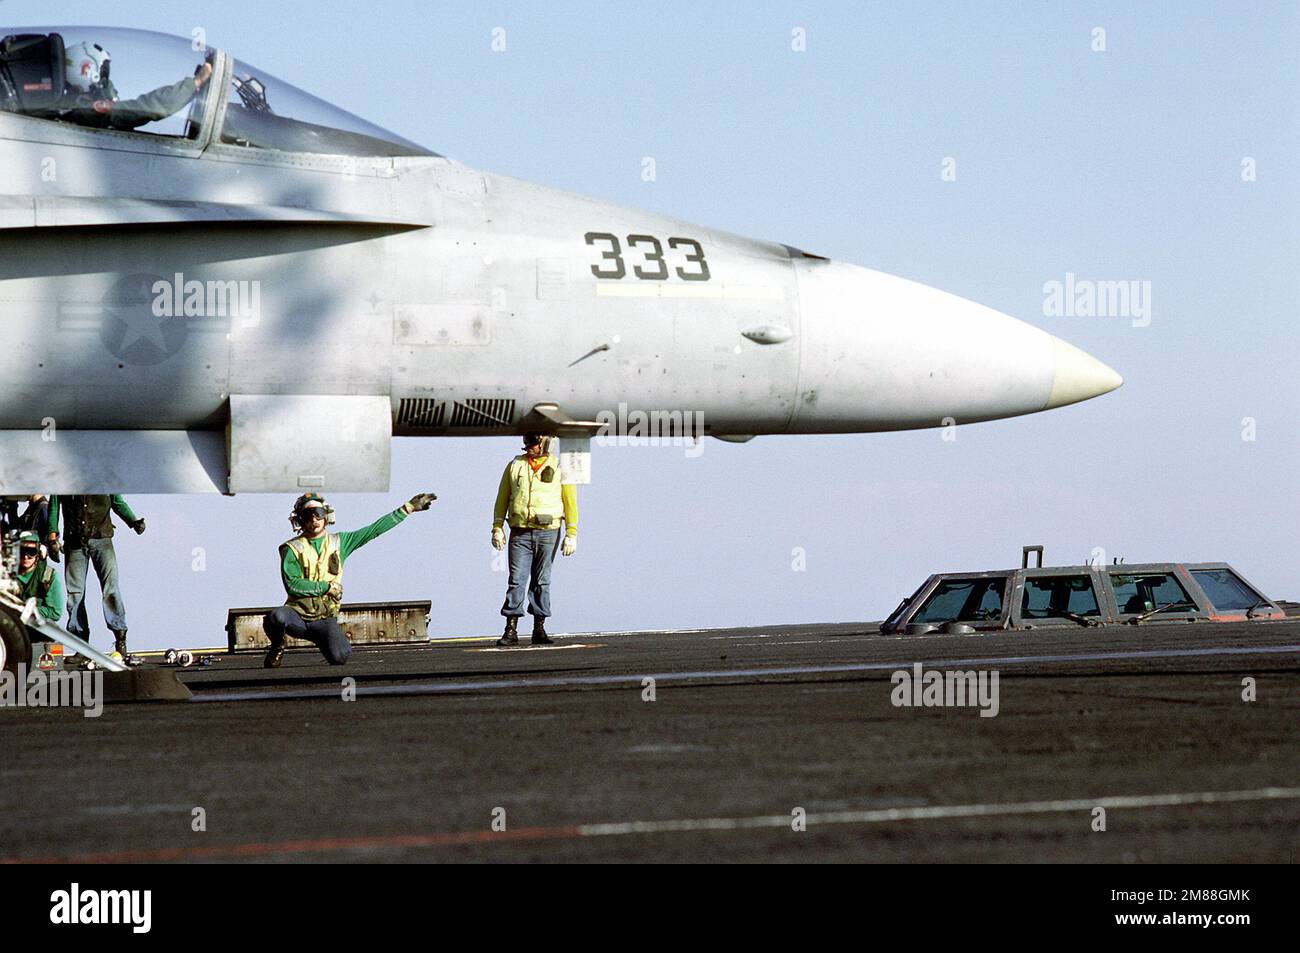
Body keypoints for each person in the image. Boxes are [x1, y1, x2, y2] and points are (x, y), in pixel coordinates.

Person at [264, 491, 437, 669]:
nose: (314, 519)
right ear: (300, 519)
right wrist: (327, 587)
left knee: (340, 656)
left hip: (325, 618)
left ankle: (324, 639)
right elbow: (293, 585)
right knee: (276, 617)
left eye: (319, 514)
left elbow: (373, 530)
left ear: (326, 516)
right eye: (308, 515)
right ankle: (277, 646)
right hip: (297, 615)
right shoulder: (292, 548)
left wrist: (407, 509)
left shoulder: (340, 542)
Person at [491, 434, 578, 647]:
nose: (529, 446)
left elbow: (570, 500)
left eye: (533, 442)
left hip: (549, 532)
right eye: (528, 442)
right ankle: (510, 628)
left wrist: (571, 533)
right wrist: (497, 527)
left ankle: (539, 627)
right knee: (517, 579)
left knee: (542, 581)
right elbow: (503, 496)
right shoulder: (515, 466)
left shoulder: (559, 466)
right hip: (520, 532)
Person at [47, 494, 144, 658]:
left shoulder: (102, 476)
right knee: (75, 595)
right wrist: (52, 537)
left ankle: (120, 639)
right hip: (74, 541)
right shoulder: (62, 479)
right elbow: (54, 506)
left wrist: (133, 521)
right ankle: (81, 645)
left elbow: (117, 502)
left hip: (102, 539)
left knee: (110, 590)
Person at [57, 39, 212, 131]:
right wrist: (195, 83)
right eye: (104, 74)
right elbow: (146, 108)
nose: (107, 83)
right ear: (86, 70)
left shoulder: (71, 111)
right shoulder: (82, 112)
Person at [13, 532, 65, 634]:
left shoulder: (48, 575)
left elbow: (55, 612)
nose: (26, 557)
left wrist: (25, 610)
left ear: (38, 553)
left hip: (35, 628)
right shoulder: (6, 576)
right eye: (22, 551)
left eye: (31, 552)